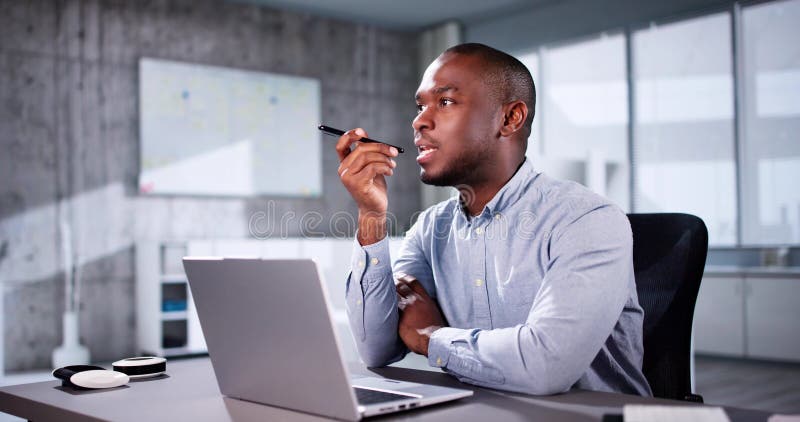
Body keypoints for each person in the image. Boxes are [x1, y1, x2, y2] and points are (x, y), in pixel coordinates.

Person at [334, 43, 652, 396]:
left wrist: (431, 338)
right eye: (420, 105)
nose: (419, 120)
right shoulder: (430, 229)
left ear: (509, 118)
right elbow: (377, 349)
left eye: (445, 102)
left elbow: (543, 367)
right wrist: (371, 216)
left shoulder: (586, 220)